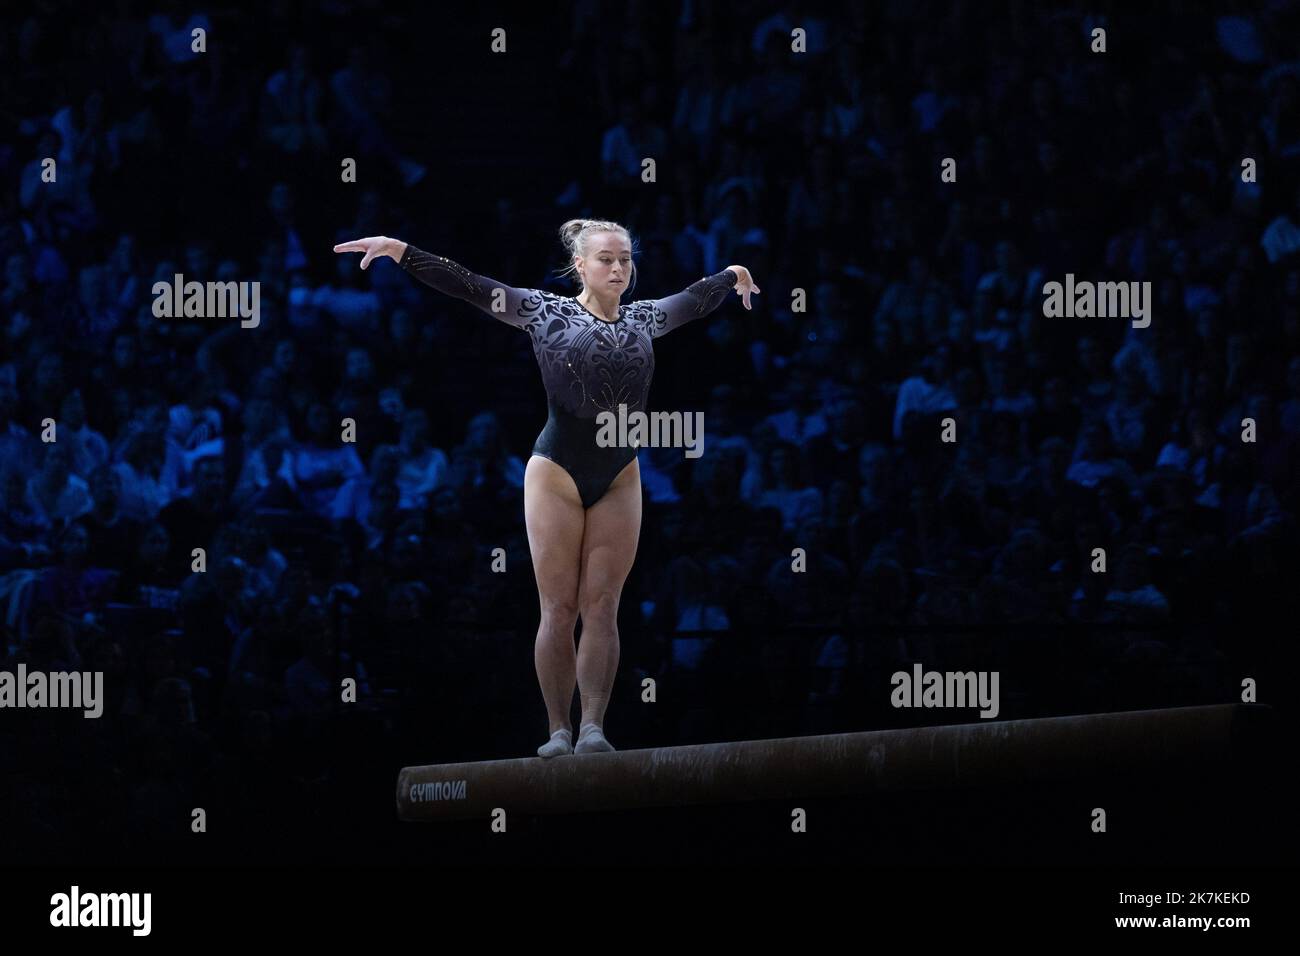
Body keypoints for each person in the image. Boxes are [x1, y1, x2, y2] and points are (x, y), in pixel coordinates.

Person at [335, 218, 758, 757]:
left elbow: (693, 300)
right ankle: (558, 727)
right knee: (558, 607)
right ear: (579, 265)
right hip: (555, 469)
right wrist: (401, 251)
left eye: (626, 258)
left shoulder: (645, 319)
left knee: (602, 605)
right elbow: (470, 285)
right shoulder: (544, 311)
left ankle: (594, 728)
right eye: (605, 258)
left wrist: (732, 274)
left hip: (619, 474)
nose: (618, 268)